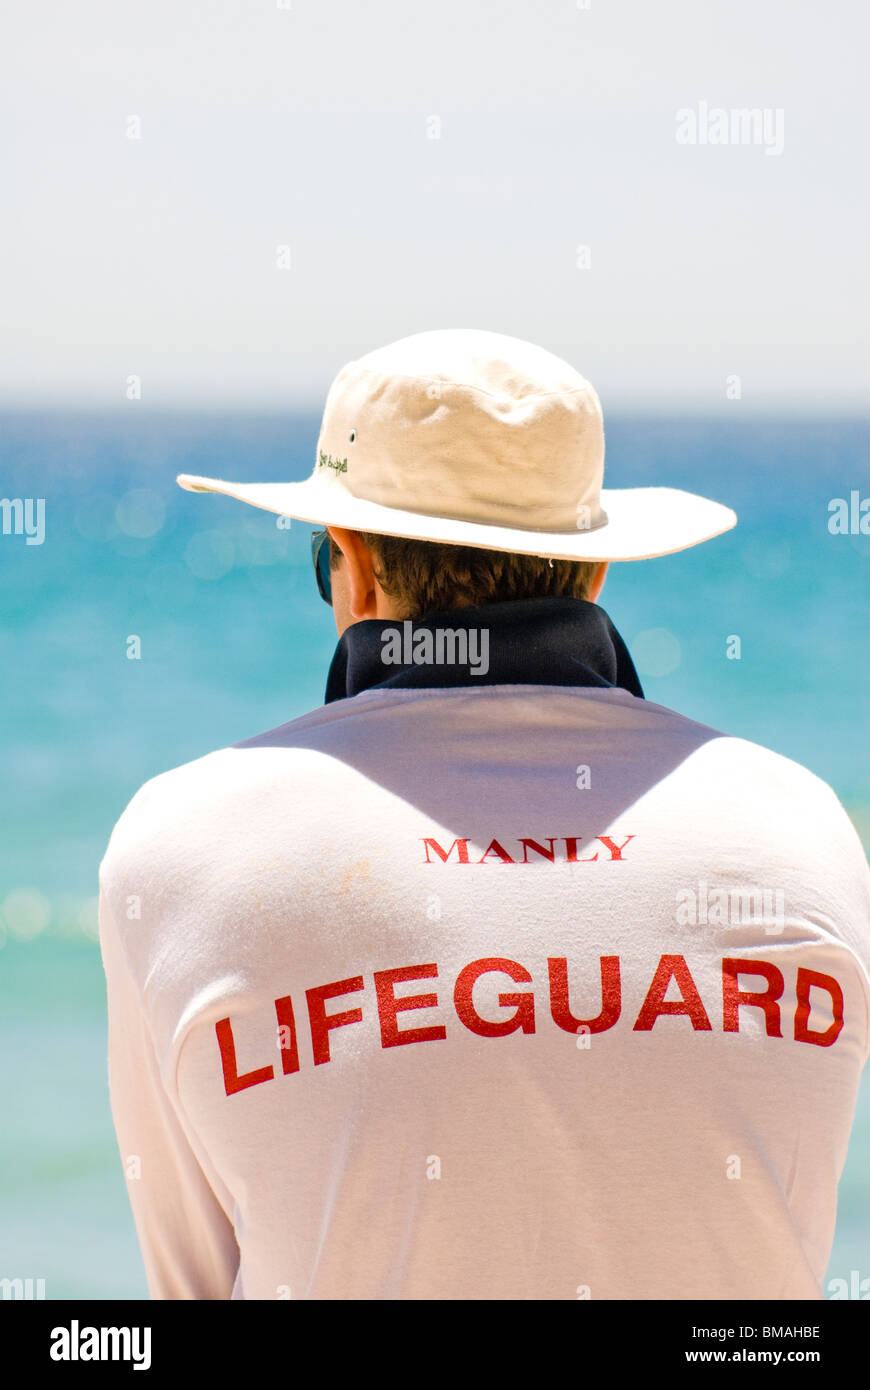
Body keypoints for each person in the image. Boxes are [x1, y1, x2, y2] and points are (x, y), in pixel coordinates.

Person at [99, 329, 870, 1300]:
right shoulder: (802, 828)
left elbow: (194, 1290)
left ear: (357, 569)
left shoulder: (179, 846)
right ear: (591, 572)